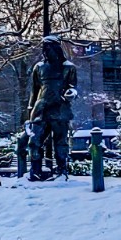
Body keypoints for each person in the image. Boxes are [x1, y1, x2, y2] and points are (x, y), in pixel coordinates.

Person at [28, 36, 77, 180]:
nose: (45, 51)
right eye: (44, 49)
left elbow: (73, 88)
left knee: (60, 143)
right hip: (40, 110)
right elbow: (34, 90)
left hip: (60, 110)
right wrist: (30, 111)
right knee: (34, 142)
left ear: (56, 49)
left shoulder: (69, 68)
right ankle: (35, 172)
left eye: (47, 48)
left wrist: (71, 94)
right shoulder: (39, 67)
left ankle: (62, 171)